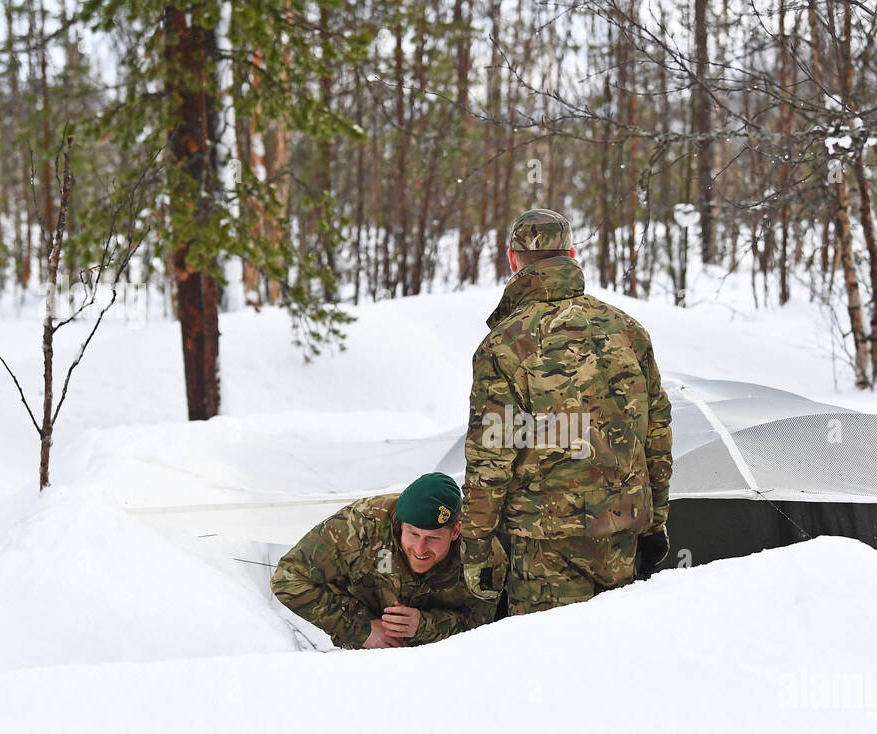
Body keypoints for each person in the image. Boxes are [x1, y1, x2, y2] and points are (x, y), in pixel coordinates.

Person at [459, 208, 673, 615]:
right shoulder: (627, 329)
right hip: (621, 530)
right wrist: (655, 521)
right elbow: (656, 432)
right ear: (572, 253)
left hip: (544, 543)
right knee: (615, 648)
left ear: (512, 259)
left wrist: (476, 548)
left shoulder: (504, 343)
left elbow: (491, 458)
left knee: (550, 659)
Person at [271, 472, 506, 649]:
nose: (420, 549)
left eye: (433, 538)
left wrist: (424, 625)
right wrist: (362, 629)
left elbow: (484, 626)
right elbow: (289, 577)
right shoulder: (360, 526)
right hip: (367, 654)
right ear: (400, 524)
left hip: (446, 658)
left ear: (455, 532)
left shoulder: (483, 554)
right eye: (413, 534)